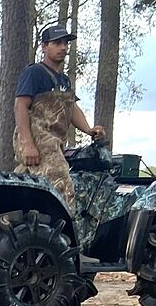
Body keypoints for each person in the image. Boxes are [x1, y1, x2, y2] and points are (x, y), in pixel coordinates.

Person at [13, 23, 104, 207]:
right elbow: (20, 106)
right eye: (57, 43)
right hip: (37, 138)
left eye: (65, 43)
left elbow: (72, 109)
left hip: (54, 142)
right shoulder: (34, 72)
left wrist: (89, 130)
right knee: (62, 183)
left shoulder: (64, 80)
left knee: (29, 185)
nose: (63, 47)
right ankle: (68, 232)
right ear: (44, 46)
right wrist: (28, 144)